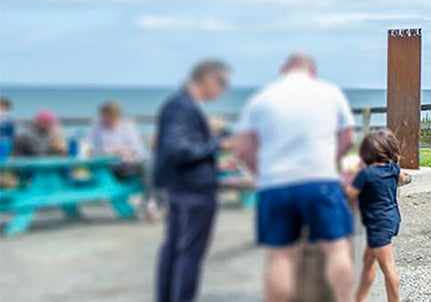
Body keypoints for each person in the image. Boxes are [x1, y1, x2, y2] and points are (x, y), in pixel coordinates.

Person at [232, 53, 357, 302]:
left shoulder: (262, 98)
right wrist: (327, 161)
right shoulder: (329, 93)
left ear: (283, 70)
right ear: (312, 71)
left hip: (275, 184)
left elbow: (242, 148)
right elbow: (348, 139)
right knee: (336, 247)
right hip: (320, 179)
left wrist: (262, 172)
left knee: (280, 255)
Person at [153, 59, 230, 302]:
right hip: (192, 190)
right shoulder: (181, 106)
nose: (223, 89)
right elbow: (178, 149)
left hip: (182, 186)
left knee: (175, 250)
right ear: (207, 78)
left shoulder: (179, 104)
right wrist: (218, 144)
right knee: (188, 253)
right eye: (222, 83)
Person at [344, 129, 407, 302]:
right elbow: (403, 178)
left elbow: (350, 194)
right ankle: (360, 298)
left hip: (378, 224)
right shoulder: (393, 169)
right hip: (391, 219)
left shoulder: (365, 175)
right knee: (368, 261)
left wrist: (348, 178)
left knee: (388, 268)